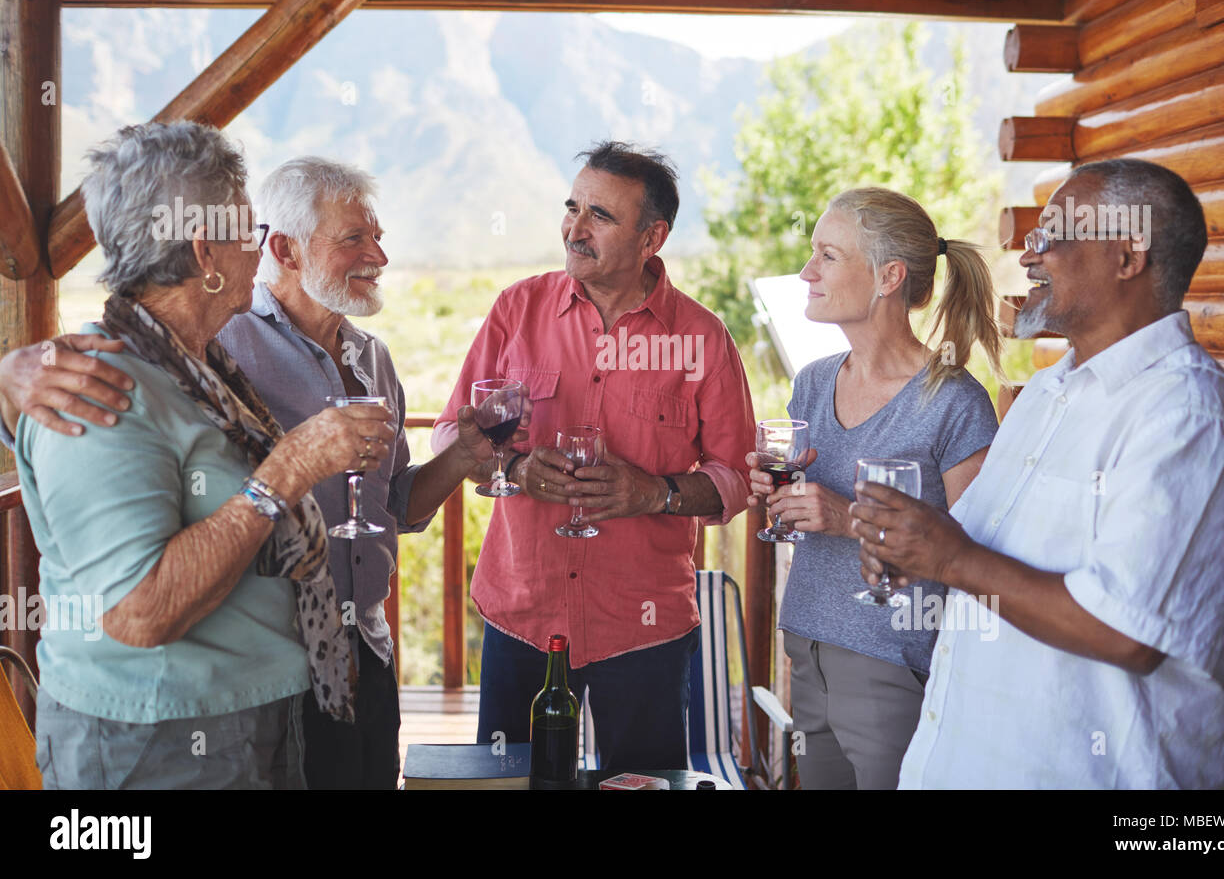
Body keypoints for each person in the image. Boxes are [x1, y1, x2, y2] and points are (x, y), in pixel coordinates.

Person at [0, 154, 520, 789]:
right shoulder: (210, 346)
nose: (379, 256)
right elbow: (140, 606)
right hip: (200, 710)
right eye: (355, 238)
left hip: (353, 655)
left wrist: (465, 455)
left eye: (378, 237)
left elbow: (393, 507)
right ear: (280, 248)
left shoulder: (352, 358)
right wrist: (9, 379)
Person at [850, 159, 1224, 789]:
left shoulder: (1193, 421)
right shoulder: (1049, 392)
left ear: (1128, 254)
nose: (1029, 258)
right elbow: (973, 547)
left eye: (1052, 237)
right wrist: (910, 550)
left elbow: (1129, 631)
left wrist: (949, 559)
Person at [431, 141, 755, 770]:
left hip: (644, 627)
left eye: (600, 216)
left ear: (651, 237)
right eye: (572, 207)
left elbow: (737, 478)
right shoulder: (515, 310)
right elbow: (450, 435)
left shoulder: (703, 339)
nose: (574, 229)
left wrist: (654, 494)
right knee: (510, 784)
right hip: (521, 612)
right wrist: (516, 471)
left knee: (642, 784)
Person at [746, 187, 1000, 789]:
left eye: (827, 257)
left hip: (894, 663)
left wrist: (842, 516)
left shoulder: (954, 402)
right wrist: (775, 489)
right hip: (806, 646)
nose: (807, 272)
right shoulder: (812, 383)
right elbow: (802, 500)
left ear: (888, 276)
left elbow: (978, 558)